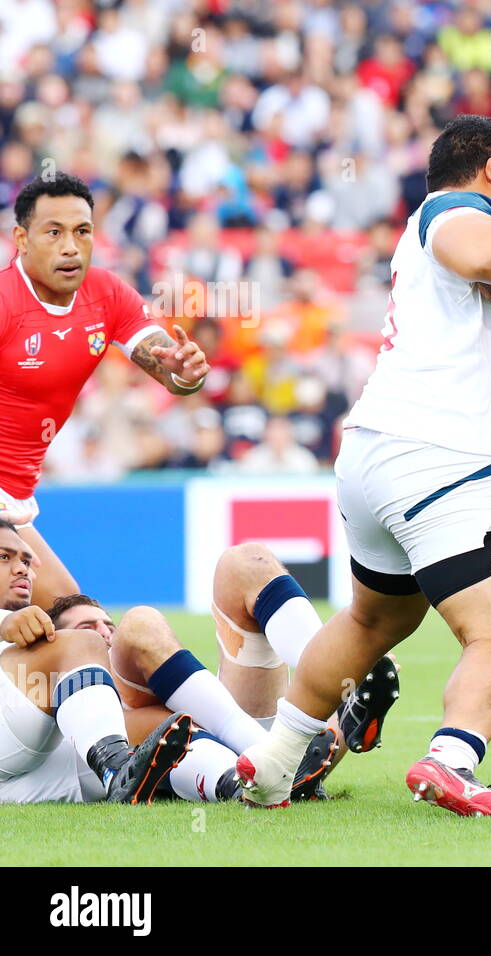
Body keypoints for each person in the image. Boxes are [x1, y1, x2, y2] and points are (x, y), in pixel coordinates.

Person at [237, 115, 491, 816]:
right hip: (440, 455)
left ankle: (273, 761)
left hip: (375, 455)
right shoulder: (454, 209)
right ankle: (453, 758)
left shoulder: (479, 230)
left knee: (371, 624)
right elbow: (482, 258)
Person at [0, 537, 397, 804]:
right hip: (257, 760)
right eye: (87, 631)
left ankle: (343, 684)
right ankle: (282, 753)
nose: (104, 635)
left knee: (244, 561)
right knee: (139, 624)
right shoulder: (57, 707)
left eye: (107, 626)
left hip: (265, 737)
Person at [1, 171, 210, 608]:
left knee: (75, 624)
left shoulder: (106, 293)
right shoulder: (5, 301)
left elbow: (171, 371)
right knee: (73, 623)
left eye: (82, 231)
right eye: (53, 232)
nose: (70, 246)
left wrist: (187, 373)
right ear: (21, 238)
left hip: (17, 498)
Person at [0, 520, 191, 805]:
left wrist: (21, 515)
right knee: (83, 642)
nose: (21, 568)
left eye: (27, 560)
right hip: (14, 744)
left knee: (157, 727)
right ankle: (116, 770)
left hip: (18, 775)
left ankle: (238, 782)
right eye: (4, 557)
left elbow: (62, 592)